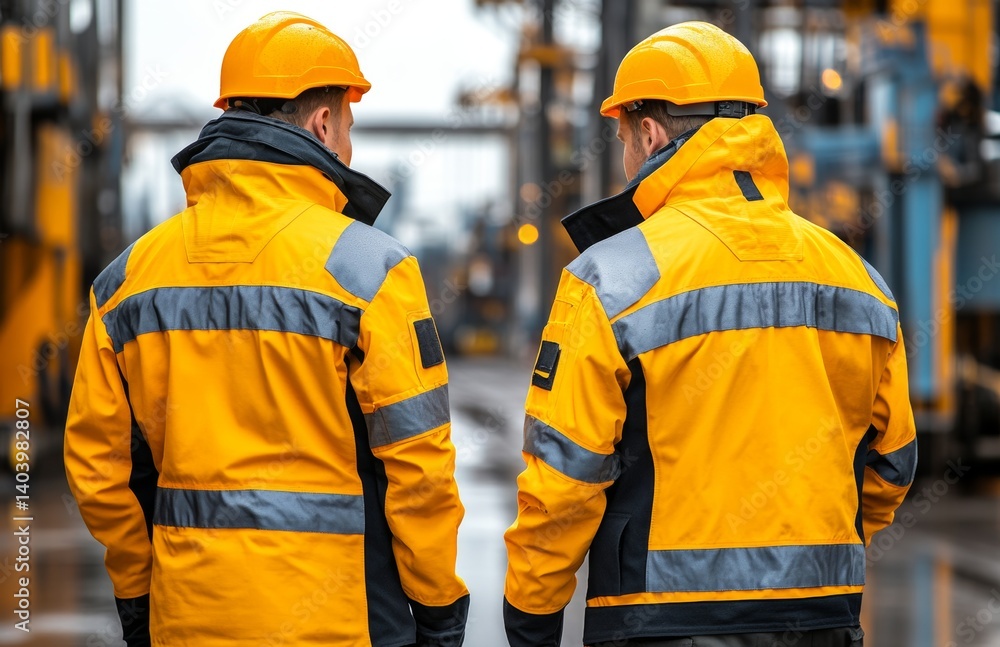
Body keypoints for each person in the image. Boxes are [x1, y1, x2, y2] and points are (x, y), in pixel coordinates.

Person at [503, 21, 916, 647]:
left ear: (649, 132)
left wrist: (531, 614)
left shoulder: (609, 278)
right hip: (822, 619)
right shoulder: (860, 281)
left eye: (622, 138)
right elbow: (892, 463)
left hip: (658, 622)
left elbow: (564, 479)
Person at [64, 12, 468, 647]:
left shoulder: (127, 280)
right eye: (349, 127)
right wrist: (439, 606)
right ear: (324, 123)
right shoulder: (372, 269)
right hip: (339, 621)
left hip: (187, 618)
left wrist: (139, 593)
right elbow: (419, 466)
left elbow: (97, 466)